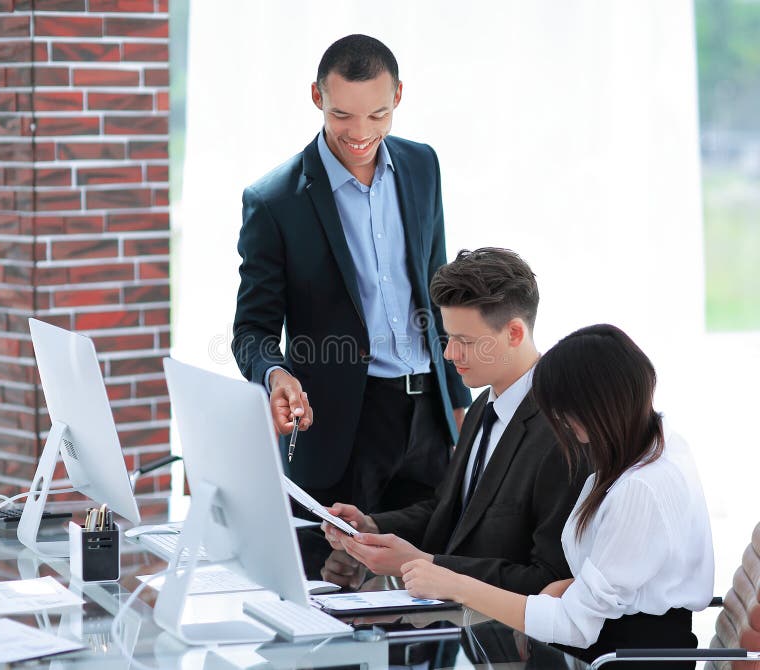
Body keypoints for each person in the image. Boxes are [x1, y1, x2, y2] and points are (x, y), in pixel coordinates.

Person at [232, 34, 470, 513]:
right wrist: (275, 373)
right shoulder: (274, 202)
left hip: (430, 420)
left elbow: (439, 289)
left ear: (397, 96)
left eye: (377, 115)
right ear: (318, 97)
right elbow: (251, 331)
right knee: (330, 584)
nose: (360, 131)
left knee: (429, 582)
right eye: (342, 115)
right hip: (337, 432)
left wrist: (458, 405)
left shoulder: (423, 165)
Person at [400, 324, 714, 668]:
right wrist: (566, 587)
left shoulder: (641, 486)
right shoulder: (656, 445)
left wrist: (456, 585)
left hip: (620, 657)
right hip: (608, 645)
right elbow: (629, 574)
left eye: (562, 409)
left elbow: (574, 626)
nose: (561, 422)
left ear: (595, 405)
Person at [322, 248, 588, 595]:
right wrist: (370, 526)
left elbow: (549, 579)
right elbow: (451, 510)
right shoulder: (482, 407)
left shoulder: (566, 432)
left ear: (514, 334)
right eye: (448, 339)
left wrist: (427, 566)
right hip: (456, 625)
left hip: (510, 641)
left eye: (465, 341)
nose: (449, 355)